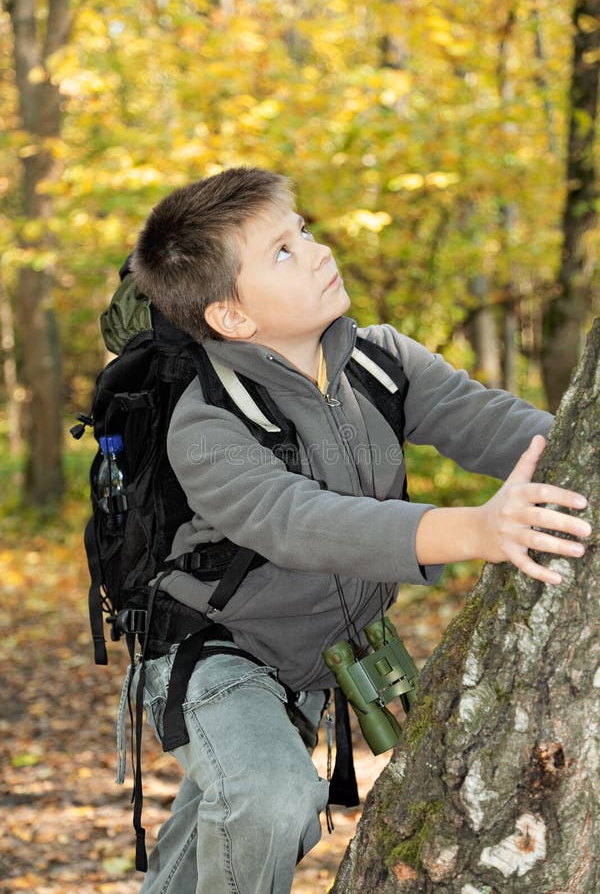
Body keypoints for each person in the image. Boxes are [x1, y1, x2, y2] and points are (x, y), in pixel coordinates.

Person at [130, 166, 592, 894]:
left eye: (303, 231)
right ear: (232, 318)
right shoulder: (208, 422)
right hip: (215, 661)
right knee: (271, 798)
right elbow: (299, 523)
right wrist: (473, 529)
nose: (315, 250)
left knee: (237, 822)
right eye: (281, 251)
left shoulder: (381, 362)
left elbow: (499, 426)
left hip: (312, 665)